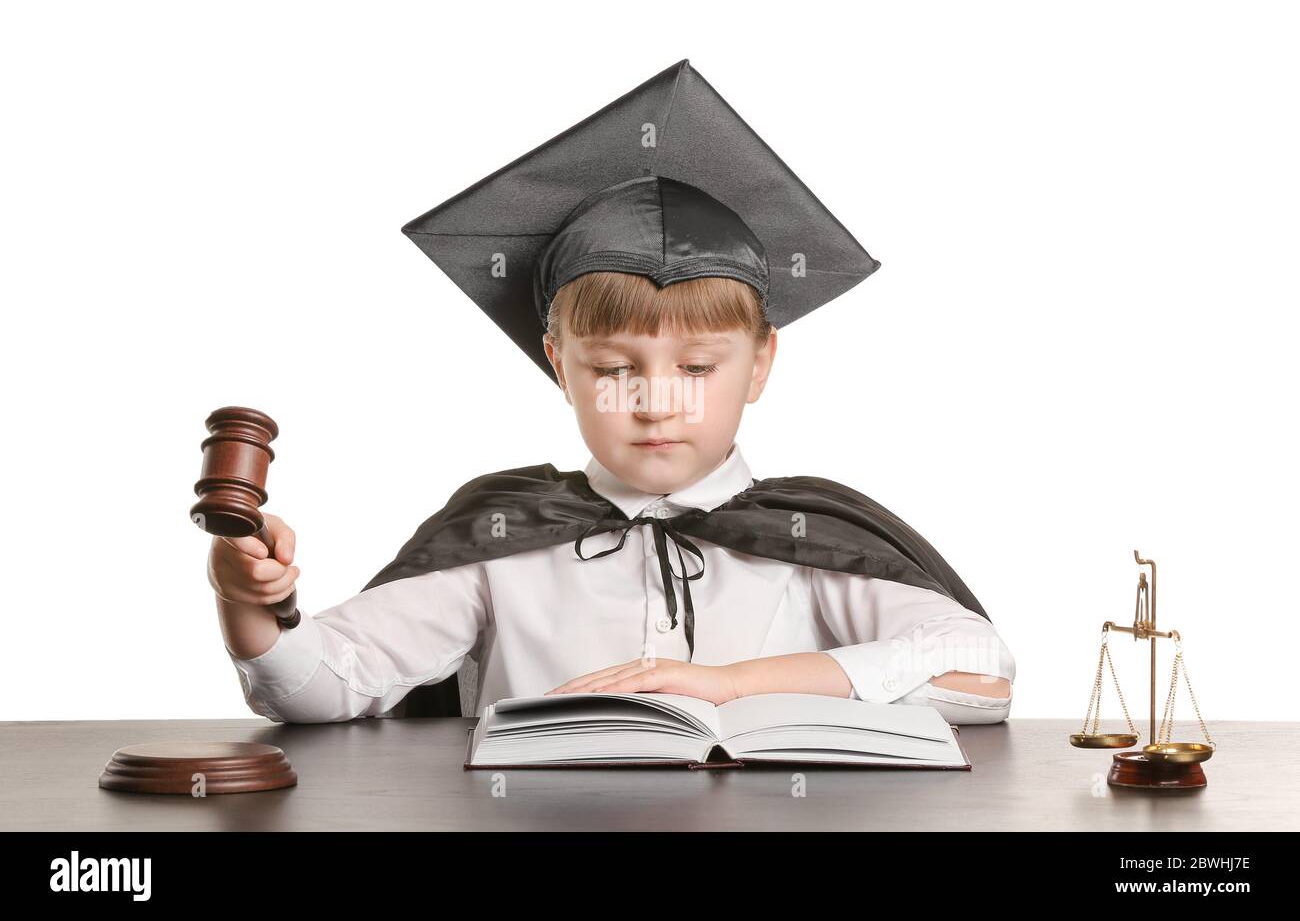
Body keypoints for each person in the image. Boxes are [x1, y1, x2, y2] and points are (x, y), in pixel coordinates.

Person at [208, 60, 1016, 727]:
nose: (659, 403)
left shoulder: (809, 535)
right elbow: (325, 689)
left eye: (698, 369)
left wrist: (738, 685)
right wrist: (247, 603)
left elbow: (982, 669)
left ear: (761, 363)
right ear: (560, 364)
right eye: (613, 369)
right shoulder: (502, 534)